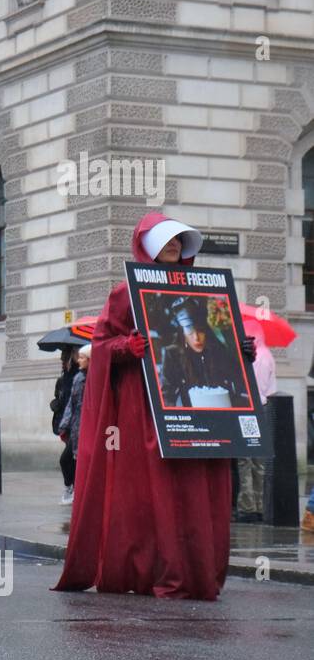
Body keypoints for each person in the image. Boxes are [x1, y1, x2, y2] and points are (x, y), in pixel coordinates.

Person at [56, 213, 254, 600]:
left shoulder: (202, 290)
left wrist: (241, 350)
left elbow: (218, 343)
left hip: (199, 411)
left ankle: (195, 569)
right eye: (166, 240)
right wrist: (126, 347)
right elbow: (100, 346)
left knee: (194, 487)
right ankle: (148, 569)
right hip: (144, 408)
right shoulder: (123, 293)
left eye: (179, 240)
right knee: (154, 490)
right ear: (146, 245)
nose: (174, 245)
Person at [157, 299, 248, 408]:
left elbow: (239, 382)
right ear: (183, 333)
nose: (196, 338)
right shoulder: (172, 355)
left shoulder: (218, 350)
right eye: (190, 332)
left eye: (200, 331)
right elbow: (166, 396)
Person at [234, 320, 276, 521]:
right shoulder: (269, 355)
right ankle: (259, 504)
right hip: (264, 408)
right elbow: (270, 389)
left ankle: (247, 506)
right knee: (259, 460)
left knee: (245, 459)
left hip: (248, 409)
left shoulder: (254, 357)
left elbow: (248, 386)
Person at [57, 343, 89, 494]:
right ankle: (73, 489)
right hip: (75, 426)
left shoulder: (87, 378)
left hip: (85, 427)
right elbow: (71, 402)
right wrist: (64, 423)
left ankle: (77, 490)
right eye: (78, 356)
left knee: (75, 460)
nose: (79, 359)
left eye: (82, 357)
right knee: (68, 459)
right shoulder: (75, 377)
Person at [50, 345, 78, 504]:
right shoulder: (62, 380)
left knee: (66, 459)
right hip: (66, 426)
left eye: (64, 359)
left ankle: (71, 488)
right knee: (72, 460)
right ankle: (73, 489)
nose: (61, 362)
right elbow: (61, 400)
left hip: (77, 425)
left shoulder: (78, 377)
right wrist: (55, 404)